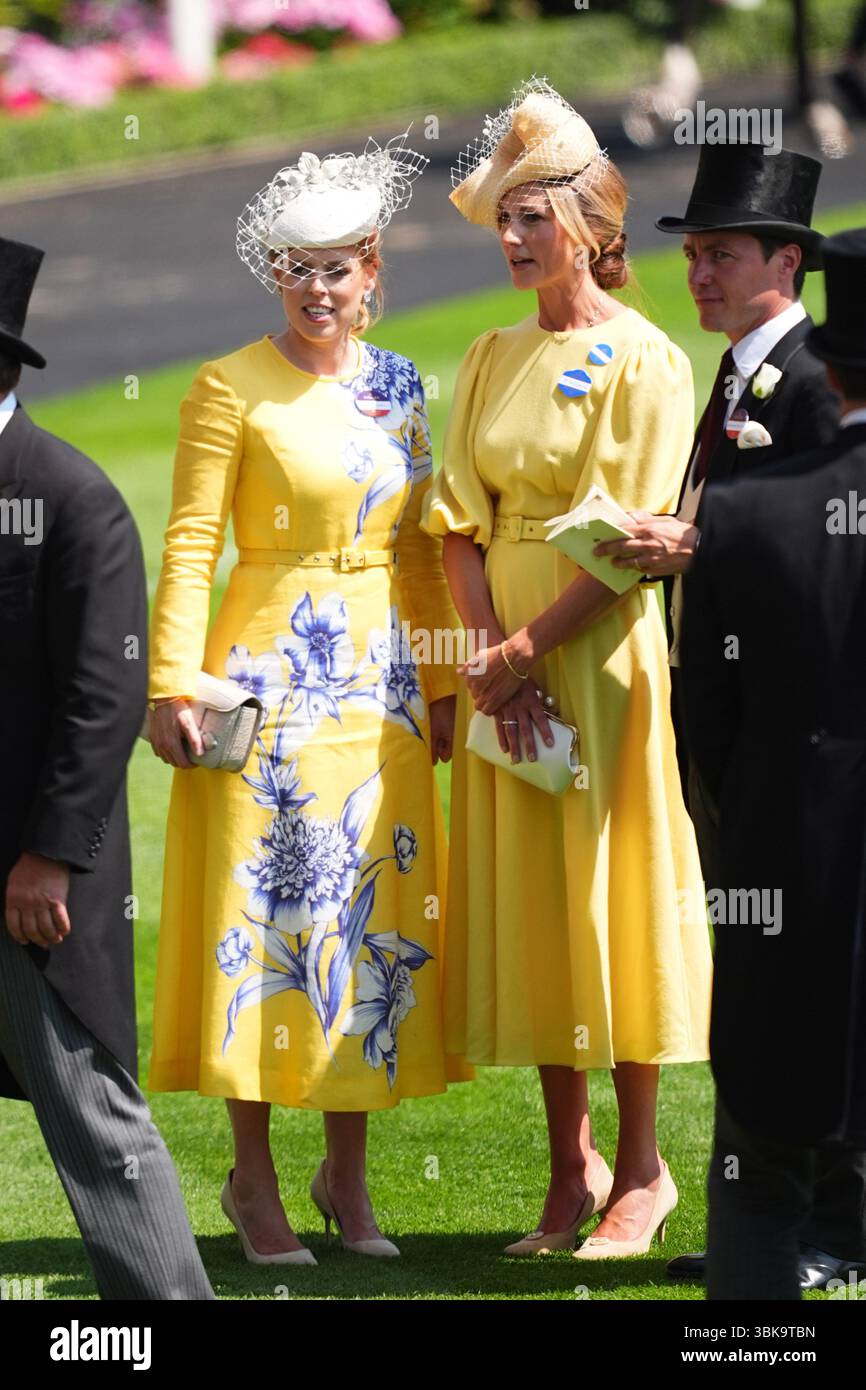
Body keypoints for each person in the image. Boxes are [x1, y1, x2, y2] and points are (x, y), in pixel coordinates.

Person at [146, 133, 465, 1265]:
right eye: (297, 267)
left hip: (376, 688)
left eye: (338, 267)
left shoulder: (398, 387)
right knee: (267, 918)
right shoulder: (227, 384)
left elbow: (424, 552)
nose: (318, 287)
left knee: (362, 914)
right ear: (273, 271)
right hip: (264, 686)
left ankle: (350, 1180)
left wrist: (437, 679)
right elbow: (190, 544)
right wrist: (172, 680)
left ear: (373, 267)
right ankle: (253, 1179)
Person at [421, 79, 712, 1260]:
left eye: (532, 216)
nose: (512, 236)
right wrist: (492, 661)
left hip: (597, 661)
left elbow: (631, 540)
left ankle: (639, 1170)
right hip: (508, 659)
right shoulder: (488, 354)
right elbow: (454, 520)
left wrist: (522, 656)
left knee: (608, 891)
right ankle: (565, 1168)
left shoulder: (647, 360)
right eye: (505, 217)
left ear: (589, 224)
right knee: (536, 907)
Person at [598, 140, 866, 1291]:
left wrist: (699, 545)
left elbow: (818, 571)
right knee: (784, 981)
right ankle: (788, 1223)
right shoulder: (734, 373)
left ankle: (810, 1229)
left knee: (809, 981)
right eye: (693, 253)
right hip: (737, 739)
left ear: (785, 262)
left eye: (720, 254)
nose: (698, 274)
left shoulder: (815, 379)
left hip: (796, 752)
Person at [0, 235, 214, 1301]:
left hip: (28, 886)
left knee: (89, 1109)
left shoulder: (70, 498)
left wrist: (49, 858)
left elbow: (103, 701)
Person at [679, 228, 866, 1299]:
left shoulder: (746, 520)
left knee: (757, 1168)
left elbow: (710, 713)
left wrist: (758, 809)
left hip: (782, 864)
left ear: (830, 370)